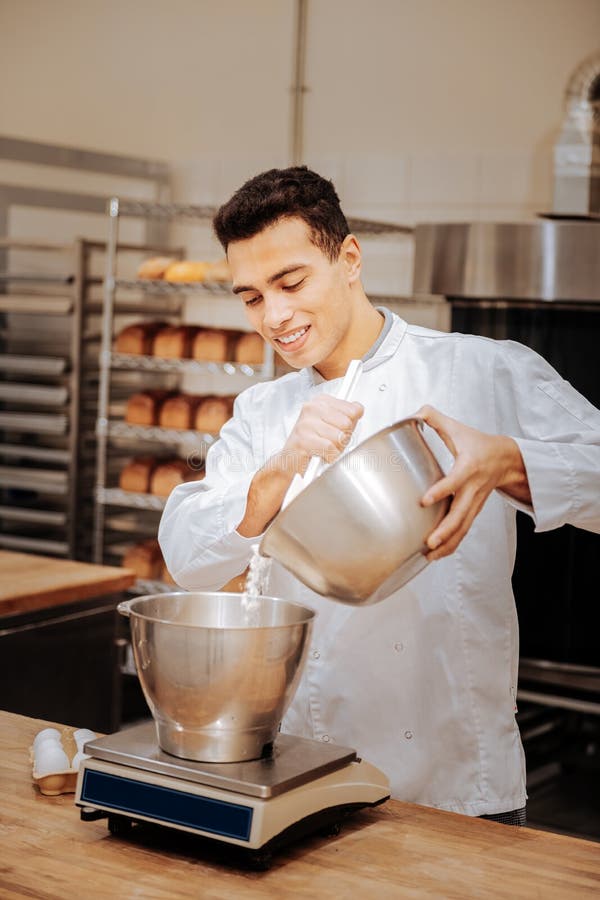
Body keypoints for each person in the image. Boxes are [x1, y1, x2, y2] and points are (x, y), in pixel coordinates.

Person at [159, 166, 600, 824]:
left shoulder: (481, 370)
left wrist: (508, 463)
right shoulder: (263, 412)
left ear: (350, 259)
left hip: (459, 785)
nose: (274, 316)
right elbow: (187, 558)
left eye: (291, 281)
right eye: (251, 297)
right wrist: (277, 471)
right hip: (309, 772)